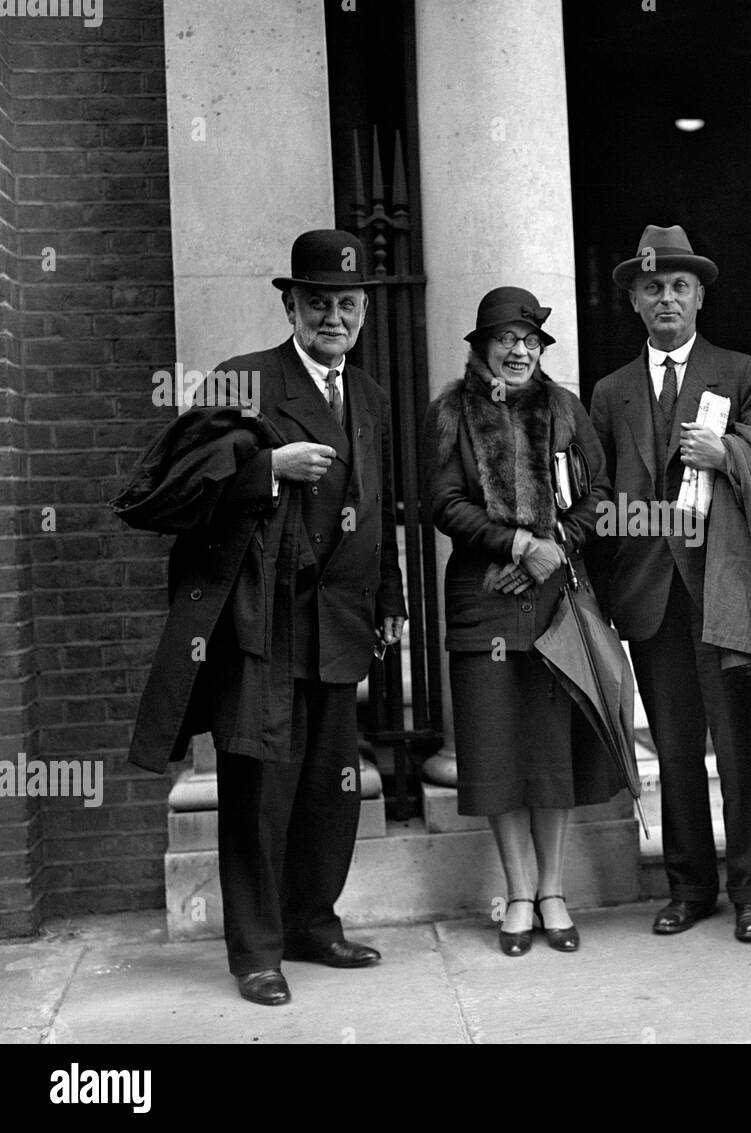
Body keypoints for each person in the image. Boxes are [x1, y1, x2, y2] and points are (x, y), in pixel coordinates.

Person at [119, 229, 407, 1006]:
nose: (333, 317)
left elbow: (374, 513)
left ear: (363, 314)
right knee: (257, 793)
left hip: (339, 625)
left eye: (347, 304)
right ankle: (256, 951)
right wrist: (263, 470)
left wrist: (389, 601)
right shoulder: (242, 383)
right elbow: (162, 494)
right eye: (318, 303)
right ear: (290, 304)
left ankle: (314, 922)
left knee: (330, 789)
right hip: (262, 627)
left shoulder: (370, 398)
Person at [590, 224, 751, 944]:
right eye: (652, 287)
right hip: (650, 595)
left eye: (679, 285)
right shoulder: (610, 392)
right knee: (675, 750)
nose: (666, 297)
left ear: (699, 295)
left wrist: (728, 450)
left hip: (725, 592)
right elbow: (597, 493)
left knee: (741, 747)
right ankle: (689, 886)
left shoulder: (741, 373)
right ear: (635, 302)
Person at [424, 286, 618, 957]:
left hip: (553, 600)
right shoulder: (451, 410)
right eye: (505, 339)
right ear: (482, 348)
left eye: (529, 340)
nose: (518, 350)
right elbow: (442, 502)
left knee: (549, 746)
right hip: (484, 598)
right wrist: (512, 545)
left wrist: (553, 544)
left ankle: (555, 889)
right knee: (499, 747)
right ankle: (516, 890)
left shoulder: (565, 409)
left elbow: (601, 493)